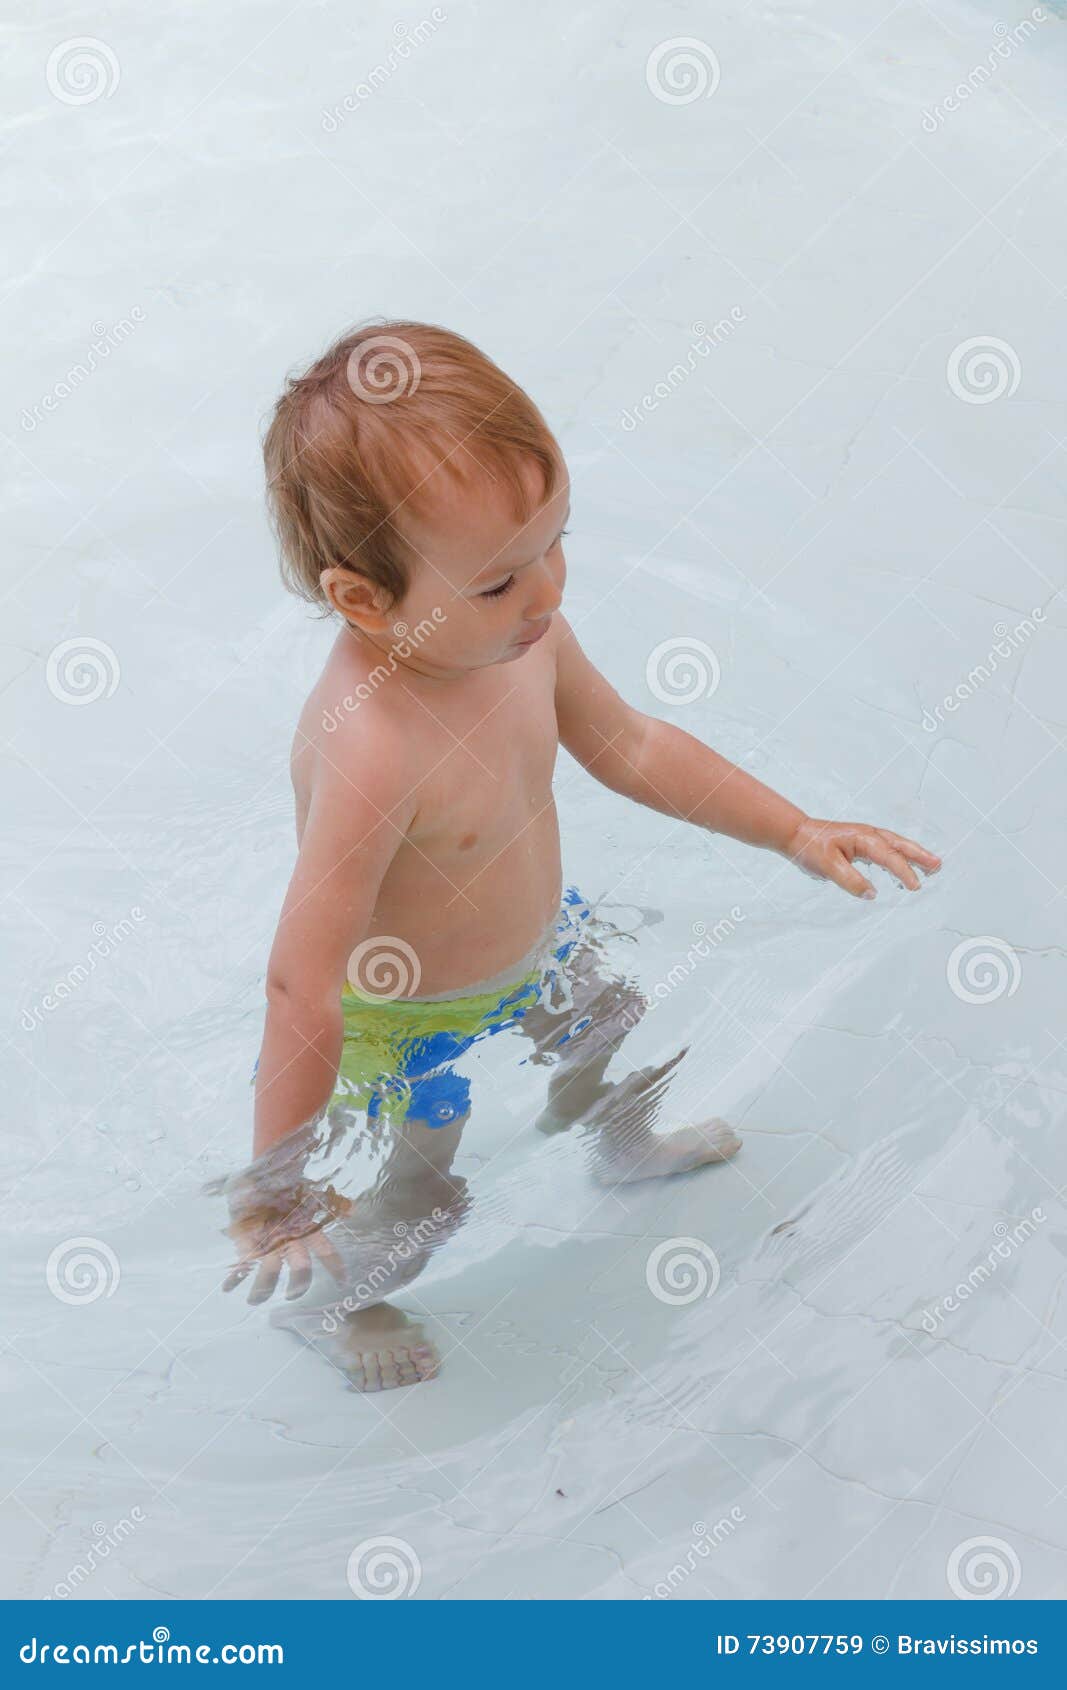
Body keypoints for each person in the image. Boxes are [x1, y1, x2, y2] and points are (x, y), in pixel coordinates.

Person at [219, 319, 941, 1391]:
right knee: (426, 1193)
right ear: (364, 602)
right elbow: (302, 982)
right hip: (408, 1017)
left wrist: (793, 827)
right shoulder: (369, 745)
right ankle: (335, 1304)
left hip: (534, 945)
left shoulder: (520, 637)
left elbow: (629, 743)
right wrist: (274, 1188)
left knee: (606, 1019)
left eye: (553, 544)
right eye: (500, 579)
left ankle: (617, 1143)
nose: (546, 591)